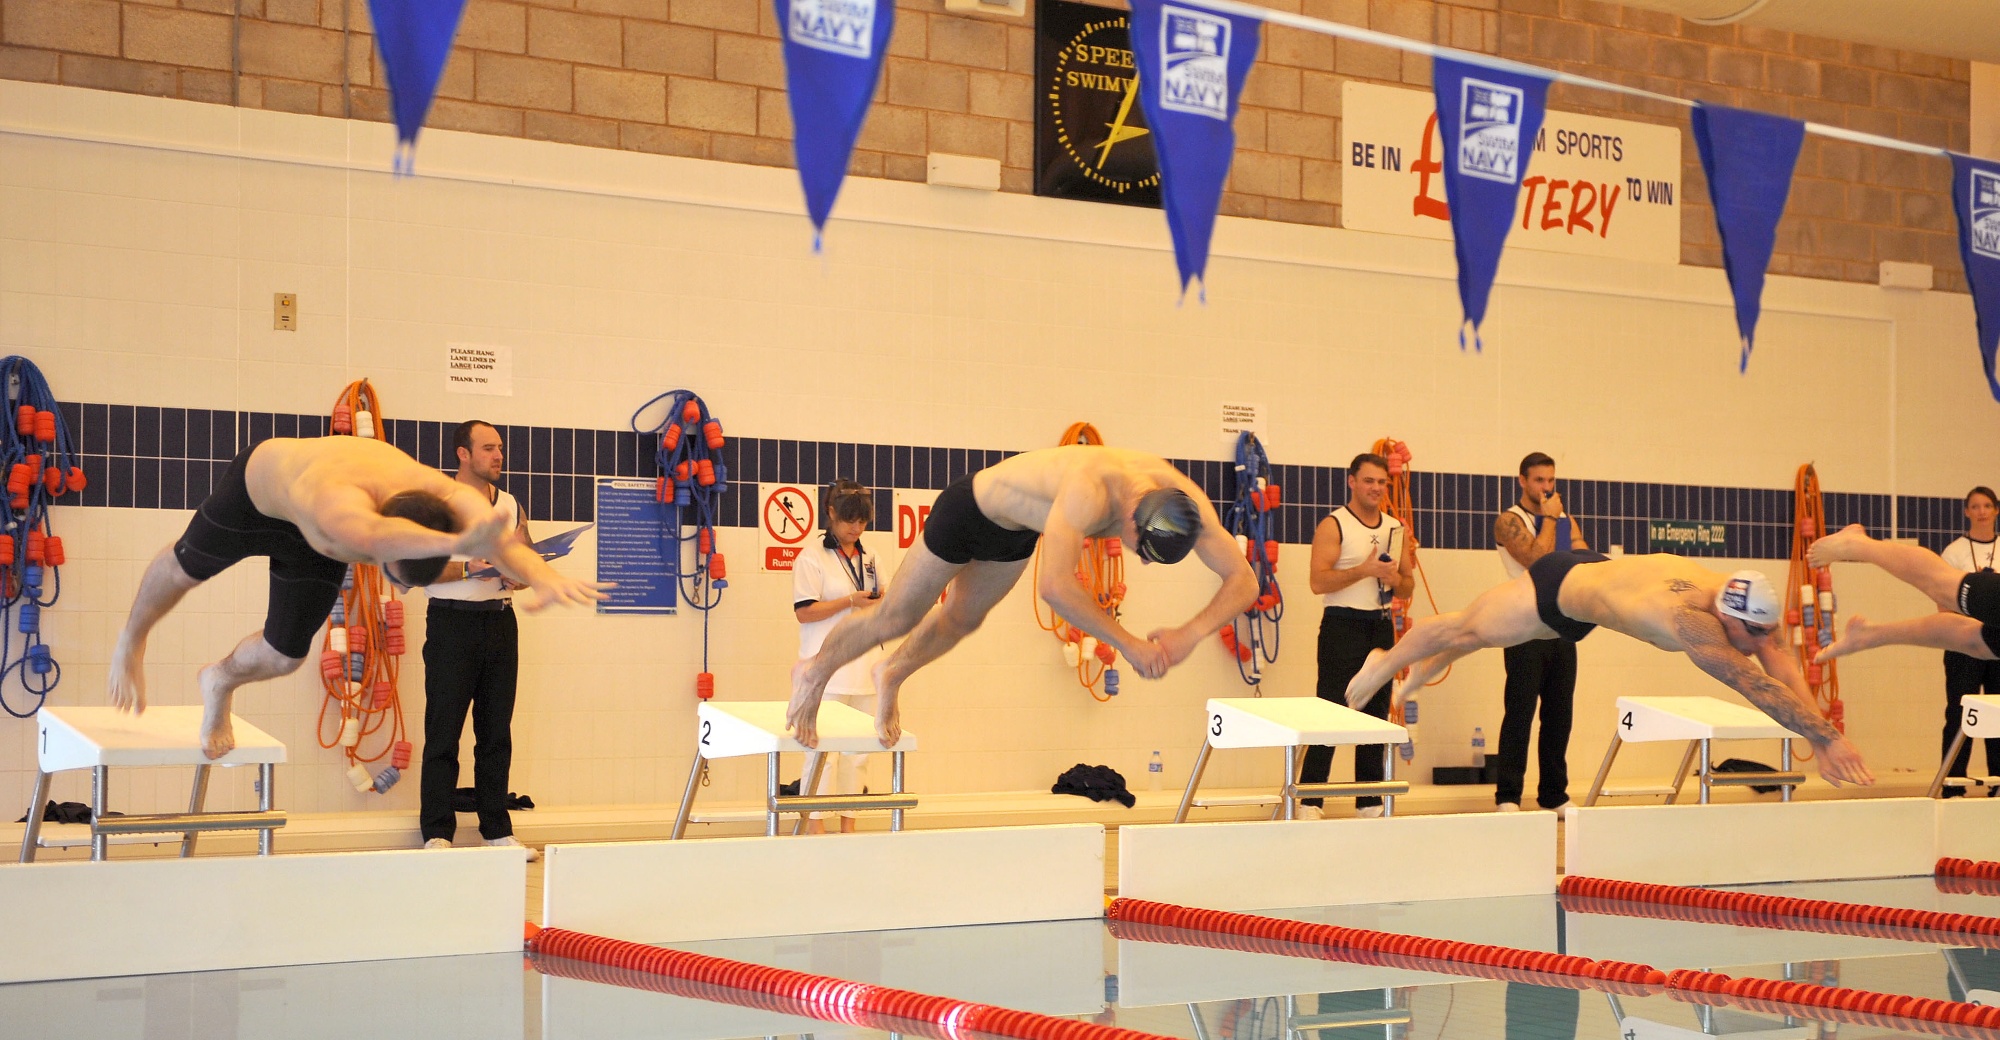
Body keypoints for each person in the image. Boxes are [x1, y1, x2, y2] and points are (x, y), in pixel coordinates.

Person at [109, 436, 609, 760]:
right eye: (397, 575)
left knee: (284, 657)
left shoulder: (442, 493)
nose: (400, 586)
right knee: (184, 568)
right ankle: (131, 641)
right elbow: (372, 536)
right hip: (257, 495)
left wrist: (541, 575)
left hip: (321, 532)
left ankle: (218, 681)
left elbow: (494, 540)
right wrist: (456, 546)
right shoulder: (342, 520)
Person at [787, 445, 1258, 747]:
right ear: (1133, 517)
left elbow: (1245, 582)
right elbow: (1055, 587)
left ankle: (892, 672)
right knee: (895, 617)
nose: (1143, 561)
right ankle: (814, 674)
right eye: (1142, 551)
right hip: (970, 511)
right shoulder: (1091, 489)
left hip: (1014, 538)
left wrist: (1191, 634)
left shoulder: (1184, 506)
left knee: (961, 621)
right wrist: (1129, 643)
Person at [1343, 552, 1873, 788]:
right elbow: (1756, 683)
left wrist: (1826, 738)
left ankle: (1410, 677)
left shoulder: (1743, 599)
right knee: (1471, 630)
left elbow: (1781, 664)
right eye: (1752, 636)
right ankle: (1382, 665)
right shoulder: (1691, 620)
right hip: (1561, 588)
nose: (1761, 644)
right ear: (1725, 618)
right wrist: (1827, 737)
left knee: (1481, 637)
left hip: (1595, 591)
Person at [420, 421, 538, 859]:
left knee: (495, 732)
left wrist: (518, 572)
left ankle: (496, 828)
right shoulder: (436, 504)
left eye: (500, 449)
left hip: (500, 623)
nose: (498, 456)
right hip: (452, 623)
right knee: (443, 731)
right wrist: (475, 568)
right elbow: (420, 570)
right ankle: (437, 830)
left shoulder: (508, 504)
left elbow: (525, 563)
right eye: (488, 448)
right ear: (462, 454)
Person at [1300, 453, 1414, 820]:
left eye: (1382, 483)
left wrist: (1393, 579)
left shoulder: (1395, 529)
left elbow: (1407, 583)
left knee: (1376, 712)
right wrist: (1363, 569)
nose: (1376, 488)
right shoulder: (1335, 525)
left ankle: (1369, 800)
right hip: (1341, 623)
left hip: (1379, 624)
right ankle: (1310, 800)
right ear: (1352, 481)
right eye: (1369, 481)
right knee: (1331, 708)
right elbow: (1318, 581)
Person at [1490, 452, 1589, 814]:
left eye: (1551, 481)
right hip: (1523, 626)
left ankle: (1553, 794)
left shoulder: (1564, 519)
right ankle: (1508, 795)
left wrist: (1559, 524)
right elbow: (1539, 561)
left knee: (1559, 714)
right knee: (1519, 713)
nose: (1546, 488)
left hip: (1560, 624)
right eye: (1539, 481)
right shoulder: (1508, 521)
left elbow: (1581, 560)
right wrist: (1549, 520)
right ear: (1522, 481)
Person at [792, 479, 890, 833]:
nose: (855, 527)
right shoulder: (811, 557)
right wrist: (849, 601)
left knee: (859, 751)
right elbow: (804, 611)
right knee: (821, 751)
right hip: (825, 669)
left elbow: (883, 603)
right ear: (831, 513)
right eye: (849, 519)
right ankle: (814, 823)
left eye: (862, 521)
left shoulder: (872, 556)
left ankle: (849, 822)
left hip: (864, 667)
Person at [1941, 488, 2000, 794]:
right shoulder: (1954, 552)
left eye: (1987, 505)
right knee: (1959, 711)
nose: (1981, 511)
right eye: (1975, 506)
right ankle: (1952, 783)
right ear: (1966, 512)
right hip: (1964, 643)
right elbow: (1941, 601)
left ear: (1996, 510)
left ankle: (1999, 782)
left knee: (1998, 711)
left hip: (1998, 642)